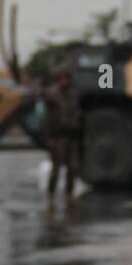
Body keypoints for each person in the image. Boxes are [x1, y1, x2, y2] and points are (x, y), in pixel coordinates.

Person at [43, 67, 82, 203]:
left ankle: (68, 194)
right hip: (58, 136)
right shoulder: (52, 94)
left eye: (66, 78)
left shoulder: (74, 94)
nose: (64, 81)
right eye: (61, 78)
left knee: (73, 167)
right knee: (56, 168)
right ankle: (51, 195)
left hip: (72, 135)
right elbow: (48, 118)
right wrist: (49, 138)